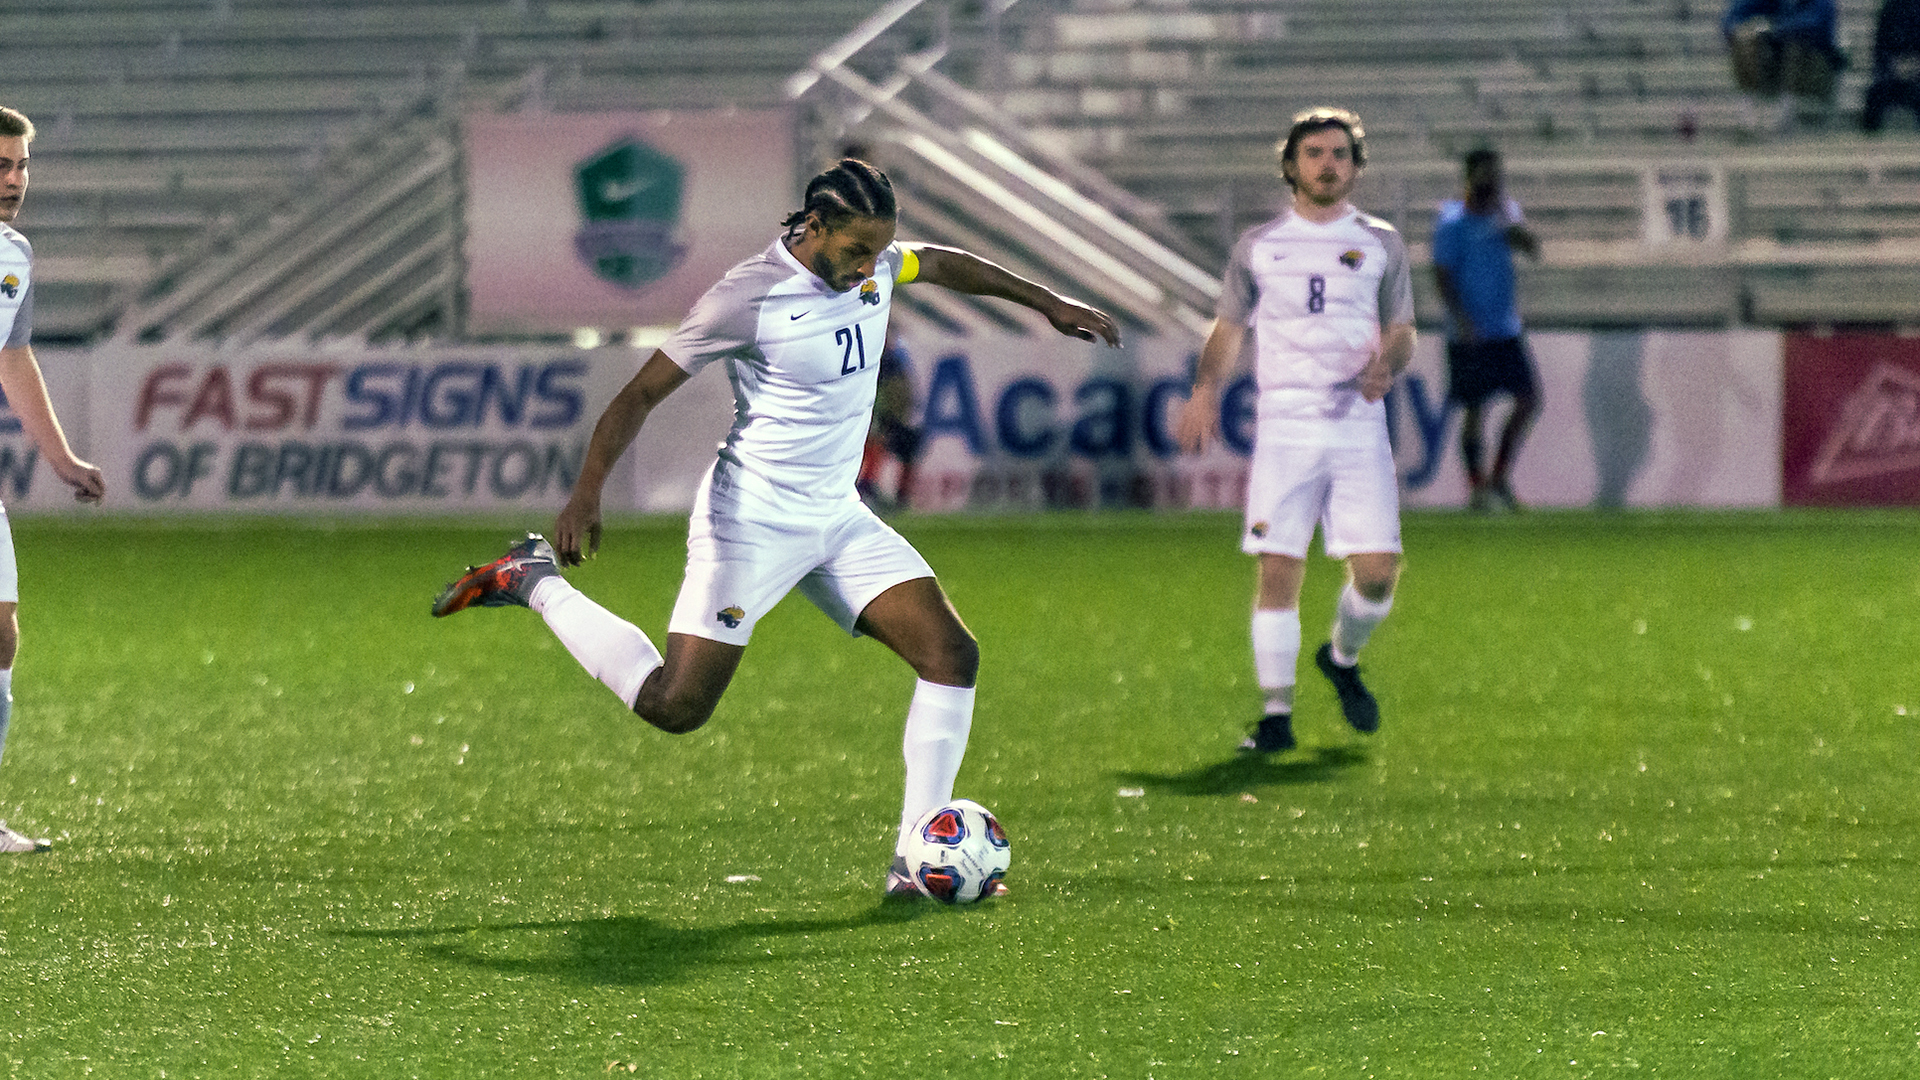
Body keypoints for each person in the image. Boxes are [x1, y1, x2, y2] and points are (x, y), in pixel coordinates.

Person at [431, 158, 1119, 896]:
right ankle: (532, 580)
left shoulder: (877, 263)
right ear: (813, 227)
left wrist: (1049, 302)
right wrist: (585, 494)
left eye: (878, 251)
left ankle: (912, 866)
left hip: (837, 516)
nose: (870, 267)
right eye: (856, 250)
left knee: (951, 655)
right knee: (675, 705)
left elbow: (943, 263)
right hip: (750, 523)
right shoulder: (746, 298)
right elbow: (637, 396)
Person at [1173, 107, 1415, 755]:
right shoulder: (1260, 245)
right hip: (1284, 422)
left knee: (1378, 574)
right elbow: (1228, 327)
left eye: (1339, 154)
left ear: (1356, 167)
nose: (1327, 164)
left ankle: (1340, 658)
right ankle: (1276, 715)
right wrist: (1205, 389)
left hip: (1357, 421)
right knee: (1279, 568)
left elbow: (1402, 329)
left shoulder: (1381, 243)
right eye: (1314, 153)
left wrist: (1387, 364)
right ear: (1291, 165)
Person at [0, 106, 108, 853]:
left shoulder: (14, 254)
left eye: (21, 167)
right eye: (1, 166)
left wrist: (62, 458)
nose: (14, 181)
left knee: (1, 632)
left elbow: (11, 357)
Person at [1431, 147, 1542, 514]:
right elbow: (1442, 275)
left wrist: (1513, 228)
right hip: (1469, 331)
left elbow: (1532, 249)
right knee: (1475, 408)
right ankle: (1478, 487)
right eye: (1485, 173)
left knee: (1528, 400)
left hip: (1504, 326)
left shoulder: (1505, 212)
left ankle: (1499, 477)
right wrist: (1461, 318)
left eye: (1495, 173)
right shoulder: (1452, 221)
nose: (1492, 180)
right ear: (1470, 176)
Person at [1722, 0, 1844, 132]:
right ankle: (1749, 107)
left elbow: (1813, 25)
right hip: (1777, 65)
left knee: (1795, 47)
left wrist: (1774, 28)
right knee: (1745, 41)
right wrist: (1742, 28)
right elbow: (1735, 16)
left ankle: (1786, 109)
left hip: (1816, 68)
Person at [854, 326, 920, 512]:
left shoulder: (893, 360)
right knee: (876, 447)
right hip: (879, 413)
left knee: (900, 451)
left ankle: (895, 494)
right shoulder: (883, 360)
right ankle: (867, 487)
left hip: (891, 415)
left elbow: (900, 392)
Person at [1861, 0, 1920, 133]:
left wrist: (1914, 64)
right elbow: (1881, 44)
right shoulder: (1891, 8)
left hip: (1916, 70)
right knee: (1876, 93)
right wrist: (1894, 64)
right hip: (1891, 70)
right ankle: (1870, 138)